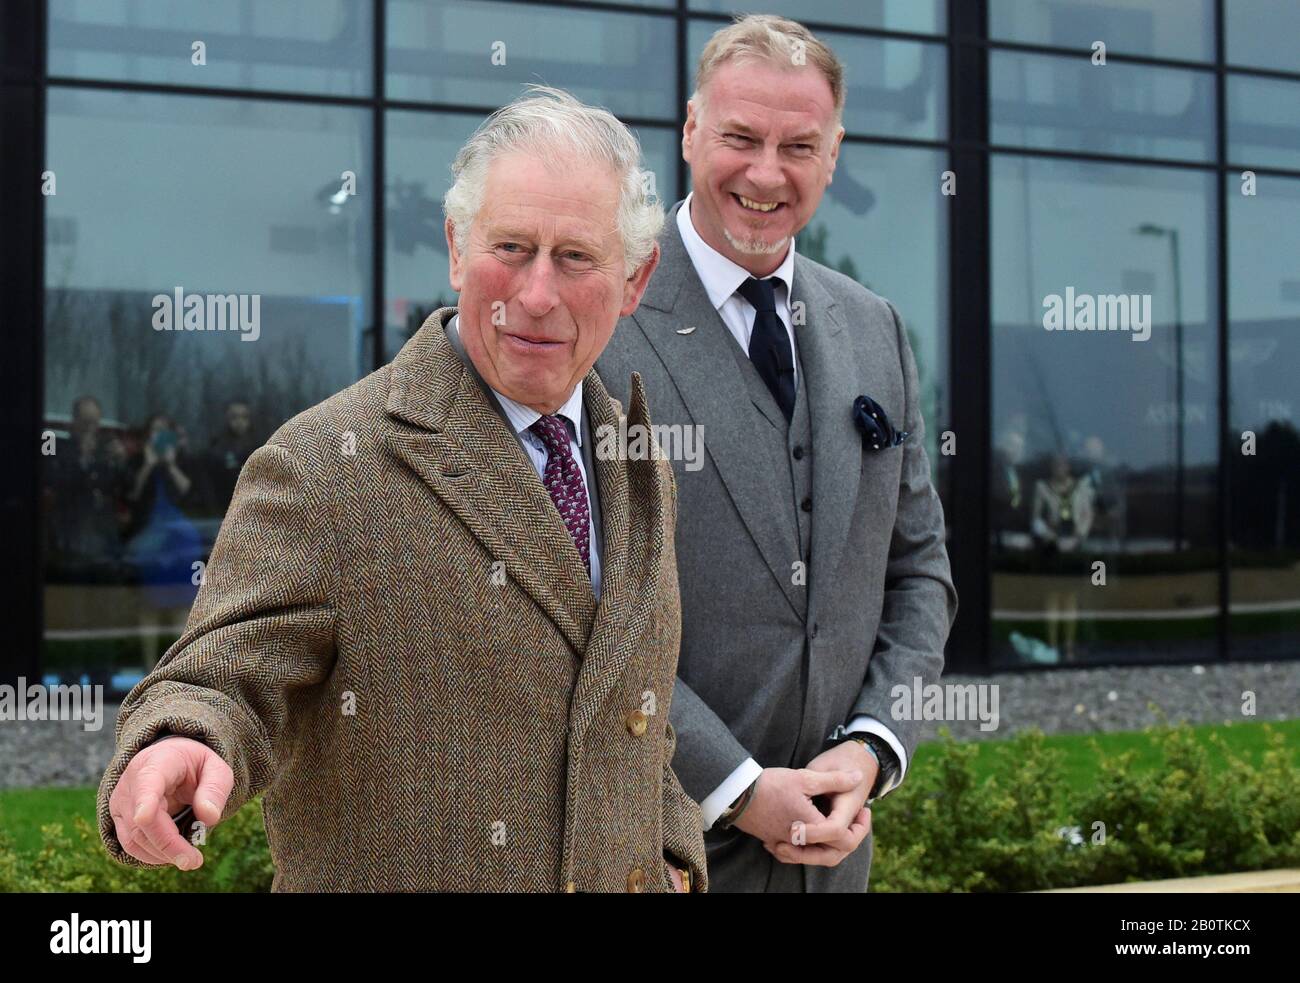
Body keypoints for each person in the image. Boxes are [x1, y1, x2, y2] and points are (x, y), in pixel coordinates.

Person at [98, 86, 707, 893]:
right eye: (512, 247)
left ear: (634, 279)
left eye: (576, 257)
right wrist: (181, 739)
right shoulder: (326, 465)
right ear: (457, 247)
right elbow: (221, 676)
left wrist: (667, 852)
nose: (535, 294)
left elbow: (631, 709)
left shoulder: (637, 462)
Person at [597, 14, 957, 892]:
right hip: (652, 856)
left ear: (834, 154)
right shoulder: (597, 318)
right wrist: (738, 785)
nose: (766, 173)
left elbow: (920, 574)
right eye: (740, 138)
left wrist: (873, 746)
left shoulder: (874, 328)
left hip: (837, 863)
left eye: (799, 145)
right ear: (688, 131)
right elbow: (578, 605)